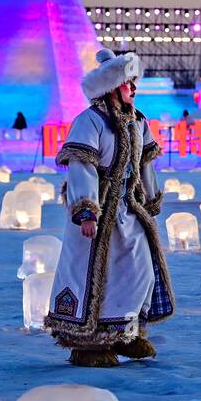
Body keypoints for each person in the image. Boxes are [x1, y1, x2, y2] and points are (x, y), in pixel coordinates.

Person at [45, 48, 173, 367]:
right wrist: (86, 209)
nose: (134, 88)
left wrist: (150, 199)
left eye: (134, 81)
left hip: (128, 210)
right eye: (129, 82)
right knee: (95, 274)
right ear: (112, 86)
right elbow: (82, 167)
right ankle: (88, 343)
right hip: (99, 212)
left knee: (139, 270)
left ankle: (124, 334)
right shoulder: (91, 121)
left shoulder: (137, 122)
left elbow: (144, 164)